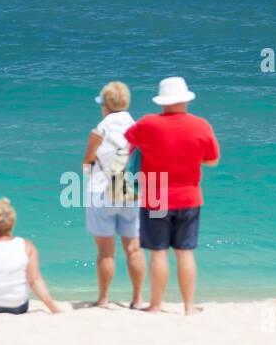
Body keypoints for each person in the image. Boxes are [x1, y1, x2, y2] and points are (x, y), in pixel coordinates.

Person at [125, 77, 220, 315]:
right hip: (189, 195)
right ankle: (188, 306)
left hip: (156, 193)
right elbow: (212, 160)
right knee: (185, 252)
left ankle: (156, 305)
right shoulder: (201, 125)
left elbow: (127, 144)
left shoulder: (148, 123)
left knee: (158, 253)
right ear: (185, 99)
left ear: (162, 102)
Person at [81, 82, 144, 308]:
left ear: (106, 105)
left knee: (106, 250)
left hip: (102, 192)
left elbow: (87, 161)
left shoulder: (100, 129)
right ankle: (137, 299)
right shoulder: (137, 127)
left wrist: (88, 168)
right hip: (130, 191)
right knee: (133, 248)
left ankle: (104, 299)